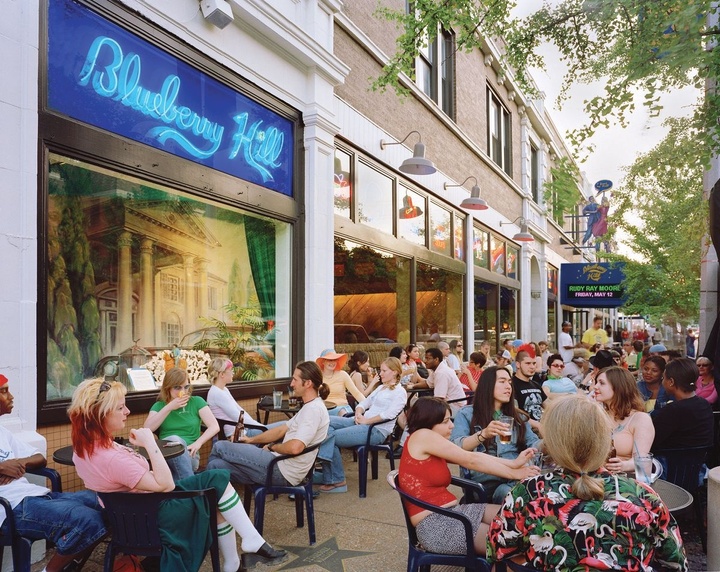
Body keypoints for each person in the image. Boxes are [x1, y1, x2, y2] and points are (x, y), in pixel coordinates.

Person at [69, 378, 287, 572]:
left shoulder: (83, 452)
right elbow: (166, 485)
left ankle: (239, 557)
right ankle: (241, 553)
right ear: (100, 416)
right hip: (156, 516)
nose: (127, 411)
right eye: (120, 408)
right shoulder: (114, 459)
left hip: (133, 517)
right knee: (217, 484)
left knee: (217, 484)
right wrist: (150, 443)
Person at [487, 396, 688, 571]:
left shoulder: (527, 492)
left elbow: (497, 549)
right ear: (605, 440)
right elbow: (676, 563)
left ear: (552, 443)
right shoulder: (642, 496)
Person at [399, 397, 538, 556]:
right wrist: (515, 473)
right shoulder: (423, 435)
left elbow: (474, 456)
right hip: (436, 526)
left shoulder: (428, 442)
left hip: (454, 513)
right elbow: (471, 460)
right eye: (445, 422)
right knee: (514, 543)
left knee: (518, 516)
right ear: (428, 421)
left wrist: (513, 464)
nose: (451, 425)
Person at [0, 374, 106, 572]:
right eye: (3, 391)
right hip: (9, 509)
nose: (11, 396)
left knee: (104, 502)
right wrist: (1, 467)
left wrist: (17, 463)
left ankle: (69, 564)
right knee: (87, 520)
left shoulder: (2, 432)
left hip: (34, 497)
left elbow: (39, 458)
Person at [208, 361, 330, 494]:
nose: (291, 384)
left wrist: (273, 446)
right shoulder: (309, 406)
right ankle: (214, 508)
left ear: (308, 383)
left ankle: (202, 500)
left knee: (219, 446)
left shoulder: (313, 410)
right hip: (278, 464)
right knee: (216, 466)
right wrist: (251, 440)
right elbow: (281, 429)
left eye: (295, 380)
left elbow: (295, 447)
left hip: (281, 470)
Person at [316, 357, 407, 493]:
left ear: (394, 372)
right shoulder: (381, 388)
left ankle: (338, 481)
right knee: (324, 422)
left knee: (329, 436)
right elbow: (365, 402)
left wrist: (366, 421)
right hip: (360, 421)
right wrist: (358, 412)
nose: (380, 374)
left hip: (376, 430)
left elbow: (389, 414)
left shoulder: (400, 392)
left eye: (383, 371)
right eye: (380, 370)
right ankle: (329, 476)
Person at [450, 367, 541, 503]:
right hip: (485, 479)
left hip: (516, 476)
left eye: (509, 382)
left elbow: (533, 443)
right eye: (502, 381)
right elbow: (455, 447)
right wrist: (483, 434)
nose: (508, 386)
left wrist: (550, 441)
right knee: (509, 492)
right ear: (488, 385)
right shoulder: (467, 414)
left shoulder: (517, 416)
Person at [144, 367, 219, 481]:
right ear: (167, 388)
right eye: (177, 387)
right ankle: (190, 488)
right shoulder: (159, 406)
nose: (183, 391)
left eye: (186, 387)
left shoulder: (196, 402)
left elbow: (214, 426)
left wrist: (198, 443)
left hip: (190, 454)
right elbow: (147, 429)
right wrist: (169, 407)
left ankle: (183, 489)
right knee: (174, 440)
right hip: (166, 455)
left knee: (177, 448)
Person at [592, 366, 655, 473]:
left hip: (625, 480)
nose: (595, 387)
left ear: (618, 387)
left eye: (601, 383)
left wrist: (623, 466)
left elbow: (641, 461)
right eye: (596, 382)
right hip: (595, 476)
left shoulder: (640, 419)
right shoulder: (597, 416)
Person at [651, 358, 714, 451]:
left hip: (670, 461)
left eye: (663, 378)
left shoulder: (673, 410)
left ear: (671, 382)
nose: (662, 382)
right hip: (700, 461)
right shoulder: (704, 404)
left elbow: (651, 441)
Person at [207, 357, 264, 438]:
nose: (233, 373)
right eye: (230, 370)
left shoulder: (223, 389)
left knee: (282, 427)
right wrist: (262, 428)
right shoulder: (216, 393)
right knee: (282, 427)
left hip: (243, 431)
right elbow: (236, 416)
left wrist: (258, 426)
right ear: (222, 374)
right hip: (236, 436)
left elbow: (239, 410)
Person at [316, 348, 365, 416]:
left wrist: (367, 406)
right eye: (330, 360)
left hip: (343, 409)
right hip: (325, 410)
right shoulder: (317, 377)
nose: (332, 363)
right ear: (323, 362)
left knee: (342, 412)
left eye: (334, 360)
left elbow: (357, 394)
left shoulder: (343, 374)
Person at [511, 350, 545, 431]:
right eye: (528, 363)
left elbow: (549, 406)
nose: (532, 367)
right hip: (525, 430)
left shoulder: (536, 385)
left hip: (541, 428)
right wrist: (538, 425)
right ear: (518, 364)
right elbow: (514, 411)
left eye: (534, 363)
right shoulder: (511, 384)